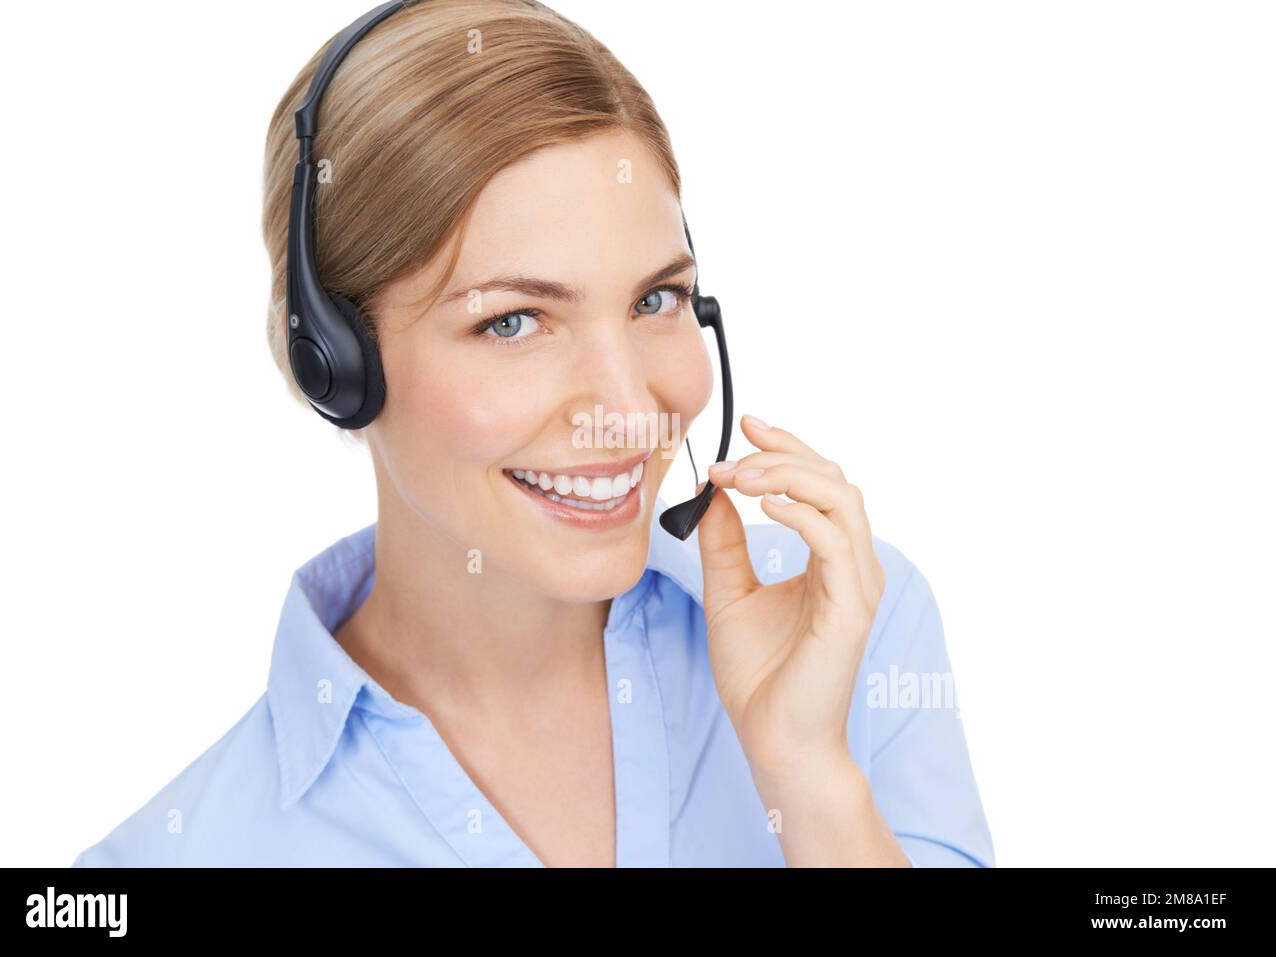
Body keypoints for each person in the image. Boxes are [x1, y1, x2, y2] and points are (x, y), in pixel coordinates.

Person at [73, 0, 993, 867]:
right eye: (513, 321)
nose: (627, 401)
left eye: (656, 299)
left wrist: (811, 779)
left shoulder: (847, 627)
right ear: (337, 362)